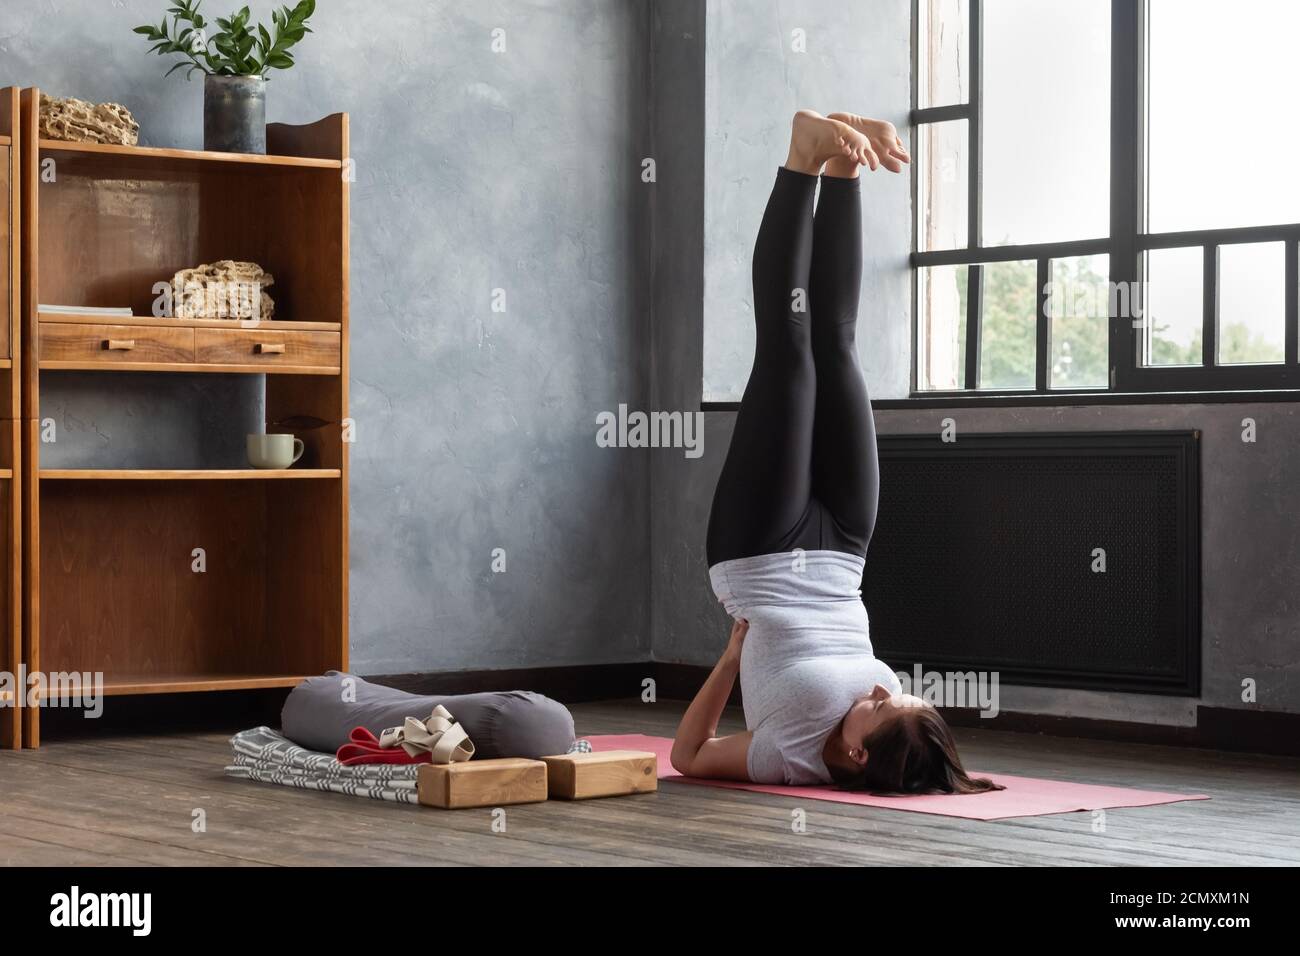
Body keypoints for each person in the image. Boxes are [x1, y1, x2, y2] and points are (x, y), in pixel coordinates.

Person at [670, 110, 1001, 795]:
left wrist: (730, 662)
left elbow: (689, 757)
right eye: (896, 693)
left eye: (879, 707)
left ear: (854, 756)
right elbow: (887, 709)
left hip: (757, 552)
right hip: (845, 547)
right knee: (839, 347)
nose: (882, 690)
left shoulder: (788, 755)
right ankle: (846, 168)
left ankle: (801, 157)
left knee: (790, 354)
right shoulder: (880, 713)